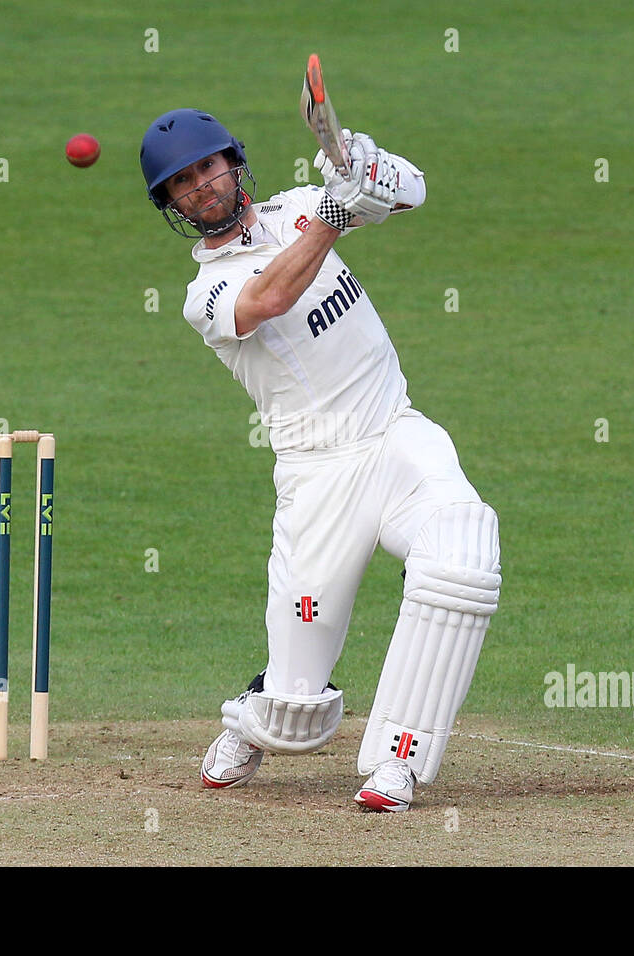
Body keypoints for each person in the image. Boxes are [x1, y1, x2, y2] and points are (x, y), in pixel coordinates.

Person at [139, 108, 501, 812]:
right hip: (318, 478)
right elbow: (271, 296)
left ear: (233, 164)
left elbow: (414, 191)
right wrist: (336, 211)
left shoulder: (302, 206)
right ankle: (254, 713)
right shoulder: (202, 293)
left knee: (464, 553)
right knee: (298, 716)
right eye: (181, 183)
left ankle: (399, 761)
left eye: (206, 167)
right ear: (172, 205)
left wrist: (364, 164)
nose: (200, 187)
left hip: (395, 434)